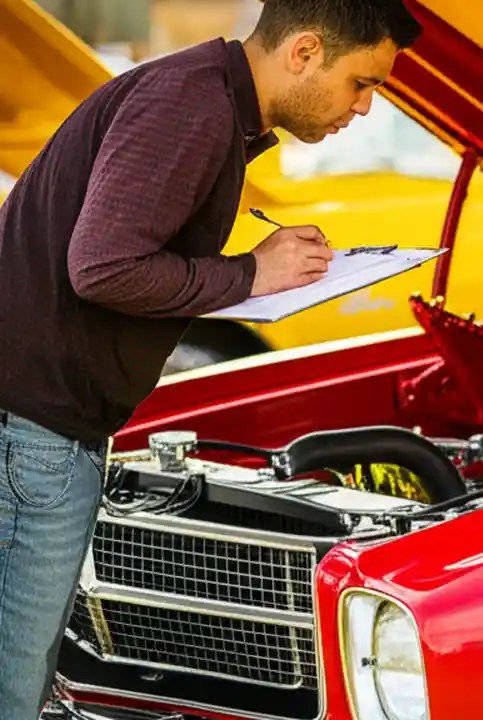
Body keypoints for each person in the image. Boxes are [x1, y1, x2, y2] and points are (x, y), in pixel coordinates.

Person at [0, 0, 423, 716]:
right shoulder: (190, 107)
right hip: (33, 435)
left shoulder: (201, 98)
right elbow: (101, 268)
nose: (365, 107)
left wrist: (251, 272)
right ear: (305, 51)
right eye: (361, 82)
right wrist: (248, 274)